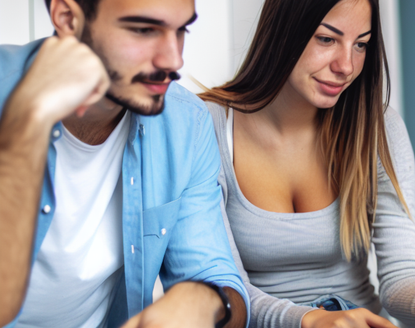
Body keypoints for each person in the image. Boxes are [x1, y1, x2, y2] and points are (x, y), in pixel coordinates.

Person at [0, 0, 249, 327]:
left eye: (181, 30)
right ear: (67, 18)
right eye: (144, 30)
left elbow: (215, 275)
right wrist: (26, 127)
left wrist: (208, 300)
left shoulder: (186, 122)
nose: (174, 60)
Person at [199, 0, 415, 327]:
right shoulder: (206, 126)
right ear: (282, 31)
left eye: (360, 45)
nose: (346, 66)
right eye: (327, 39)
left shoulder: (376, 128)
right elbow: (224, 291)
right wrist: (310, 321)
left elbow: (401, 278)